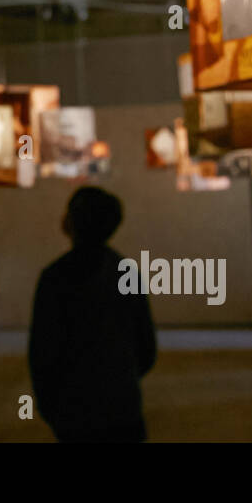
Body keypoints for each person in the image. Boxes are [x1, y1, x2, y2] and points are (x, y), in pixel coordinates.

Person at [28, 187, 157, 442]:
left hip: (73, 414)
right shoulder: (126, 272)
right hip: (123, 408)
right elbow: (146, 349)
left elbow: (42, 353)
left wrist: (51, 406)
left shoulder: (54, 278)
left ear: (71, 223)